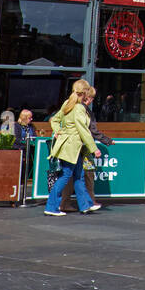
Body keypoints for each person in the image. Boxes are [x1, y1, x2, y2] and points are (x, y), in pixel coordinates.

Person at [44, 80, 103, 216]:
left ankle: (86, 205)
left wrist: (58, 131)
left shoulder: (68, 103)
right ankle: (51, 206)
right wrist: (94, 148)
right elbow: (83, 130)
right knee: (65, 176)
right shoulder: (79, 108)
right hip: (72, 147)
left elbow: (54, 120)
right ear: (85, 92)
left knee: (79, 176)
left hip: (69, 147)